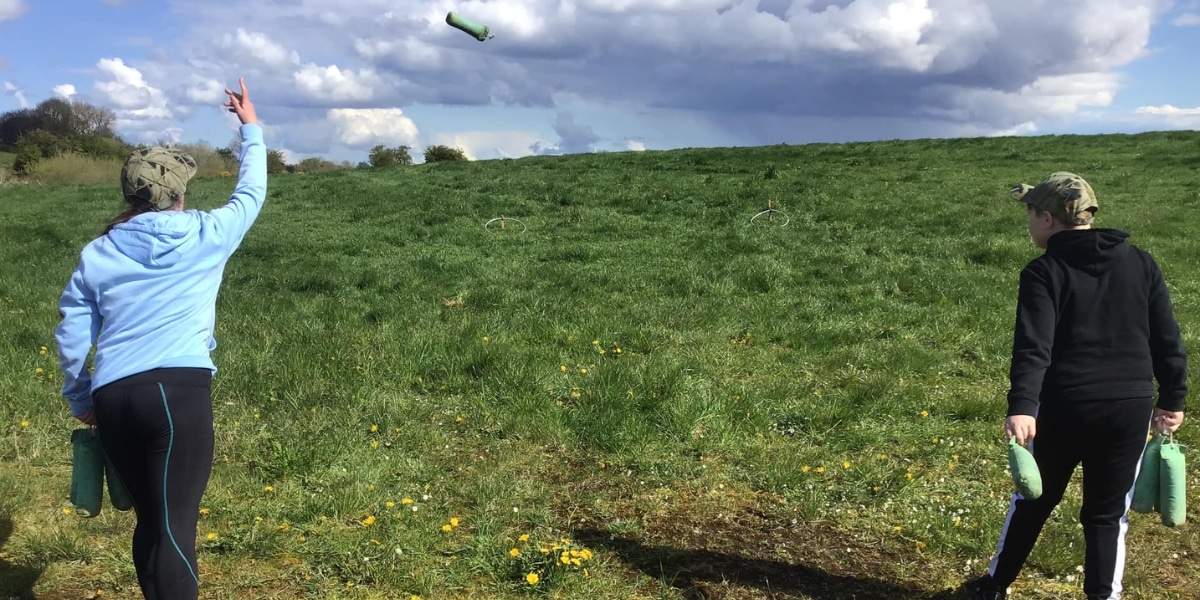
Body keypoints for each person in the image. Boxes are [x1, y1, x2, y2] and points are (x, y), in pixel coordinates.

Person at [54, 78, 265, 600]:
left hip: (112, 395)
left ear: (129, 194)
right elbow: (251, 192)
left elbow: (72, 329)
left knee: (152, 521)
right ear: (180, 192)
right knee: (174, 528)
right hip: (176, 393)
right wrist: (251, 128)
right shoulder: (209, 233)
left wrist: (80, 396)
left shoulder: (99, 251)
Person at [965, 172, 1188, 600]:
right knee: (1108, 515)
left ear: (1047, 218)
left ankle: (995, 586)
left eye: (1030, 213)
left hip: (1064, 408)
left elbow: (1033, 347)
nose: (1029, 222)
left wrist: (1023, 405)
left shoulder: (1044, 271)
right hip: (1128, 408)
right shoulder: (1140, 262)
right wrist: (1172, 398)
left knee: (1033, 499)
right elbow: (1167, 338)